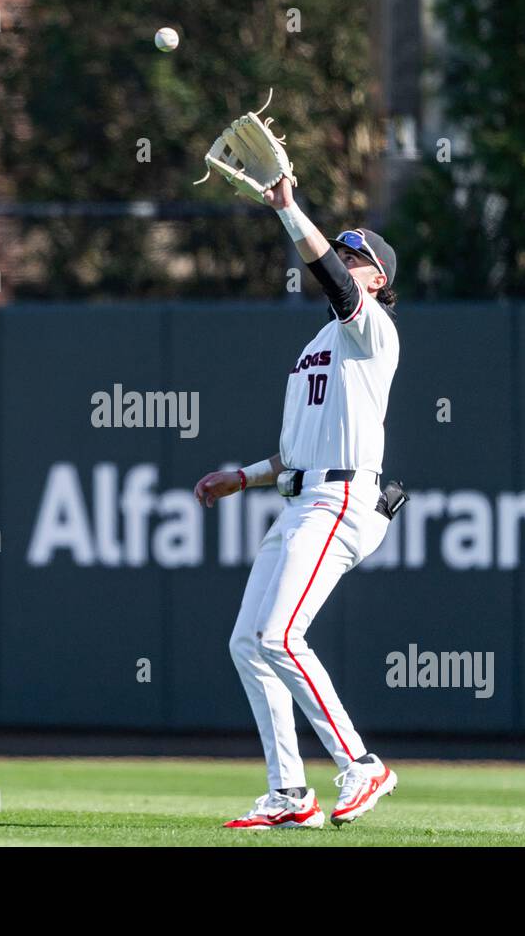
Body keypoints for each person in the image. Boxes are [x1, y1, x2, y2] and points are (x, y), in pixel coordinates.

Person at [192, 175, 401, 829]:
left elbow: (331, 279)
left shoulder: (371, 330)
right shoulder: (316, 347)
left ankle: (362, 764)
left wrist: (287, 208)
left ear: (376, 280)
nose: (346, 263)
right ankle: (290, 793)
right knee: (249, 643)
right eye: (345, 253)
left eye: (357, 258)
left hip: (343, 499)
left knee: (281, 635)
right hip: (305, 495)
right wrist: (242, 477)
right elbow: (295, 456)